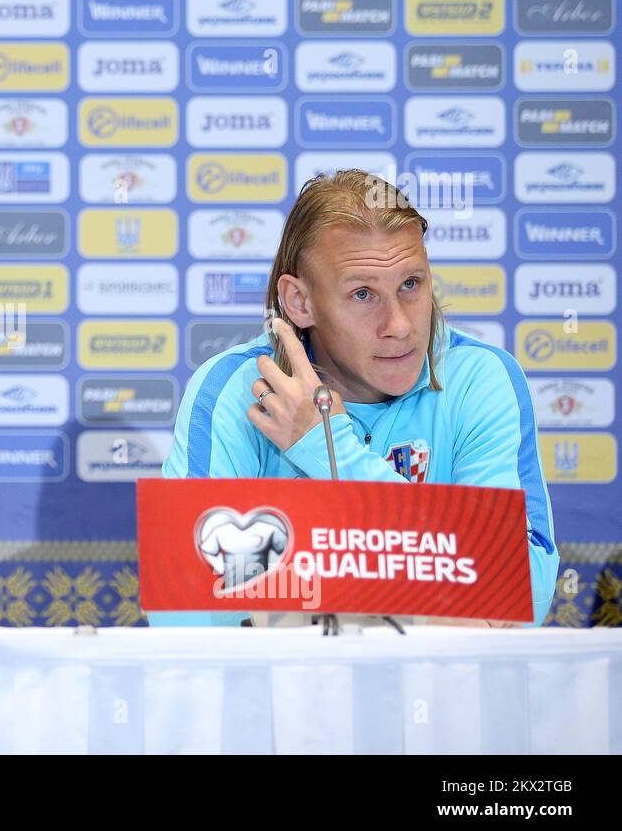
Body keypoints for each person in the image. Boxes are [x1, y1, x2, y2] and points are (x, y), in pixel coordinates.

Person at [158, 170, 559, 627]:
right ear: (299, 301)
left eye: (411, 284)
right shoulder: (235, 389)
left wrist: (330, 448)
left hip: (439, 692)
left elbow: (521, 592)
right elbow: (185, 609)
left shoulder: (478, 378)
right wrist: (423, 599)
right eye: (363, 294)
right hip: (278, 694)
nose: (401, 325)